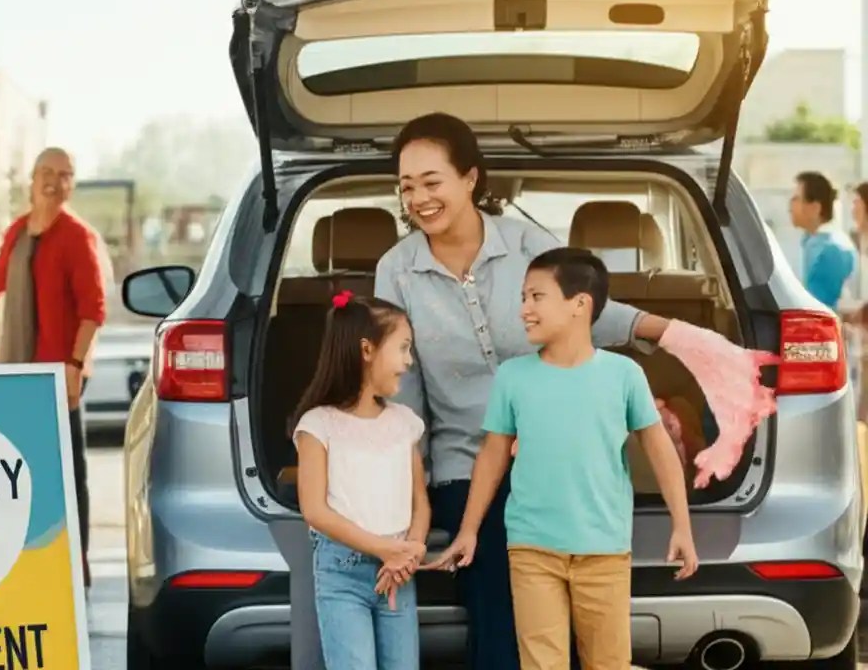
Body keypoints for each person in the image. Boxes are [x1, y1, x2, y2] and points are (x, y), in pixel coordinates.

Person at [373, 112, 759, 670]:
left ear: (470, 179)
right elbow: (403, 385)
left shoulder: (526, 243)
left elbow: (580, 311)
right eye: (407, 187)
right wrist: (417, 494)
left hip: (558, 458)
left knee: (582, 627)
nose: (419, 198)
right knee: (500, 611)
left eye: (432, 182)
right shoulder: (397, 270)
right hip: (465, 463)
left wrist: (670, 332)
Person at [428, 248, 698, 670]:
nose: (524, 310)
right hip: (532, 549)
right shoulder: (513, 377)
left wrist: (681, 524)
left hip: (604, 549)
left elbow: (658, 447)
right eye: (523, 298)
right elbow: (493, 453)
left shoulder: (623, 374)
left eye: (537, 297)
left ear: (580, 305)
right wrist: (469, 531)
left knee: (608, 663)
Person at [0, 146, 106, 585]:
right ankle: (32, 561)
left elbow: (93, 310)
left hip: (59, 373)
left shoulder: (76, 235)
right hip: (17, 373)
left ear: (72, 184)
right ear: (32, 179)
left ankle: (75, 565)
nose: (55, 181)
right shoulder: (16, 233)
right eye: (47, 172)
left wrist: (74, 364)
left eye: (65, 175)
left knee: (69, 471)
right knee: (24, 469)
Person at [291, 291, 429, 670]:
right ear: (367, 350)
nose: (408, 361)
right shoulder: (318, 425)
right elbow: (315, 510)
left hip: (398, 572)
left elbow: (420, 501)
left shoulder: (404, 423)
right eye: (402, 348)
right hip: (342, 574)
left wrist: (412, 547)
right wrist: (385, 549)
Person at [790, 171, 856, 309]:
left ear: (815, 208)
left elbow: (818, 309)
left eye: (796, 199)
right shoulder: (816, 242)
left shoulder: (829, 250)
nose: (790, 205)